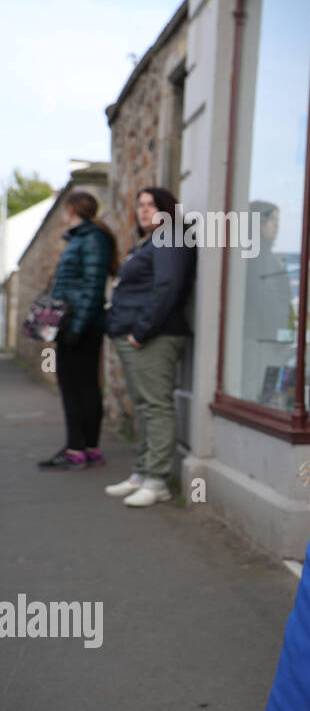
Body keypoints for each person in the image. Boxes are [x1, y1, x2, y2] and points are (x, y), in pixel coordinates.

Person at [103, 187, 196, 507]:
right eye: (140, 205)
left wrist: (141, 331)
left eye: (151, 204)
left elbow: (168, 287)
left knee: (156, 407)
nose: (144, 210)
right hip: (135, 334)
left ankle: (157, 481)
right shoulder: (149, 242)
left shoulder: (170, 237)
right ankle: (142, 473)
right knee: (144, 406)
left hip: (154, 336)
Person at [37, 191, 117, 470]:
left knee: (75, 386)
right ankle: (85, 448)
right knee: (81, 385)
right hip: (75, 322)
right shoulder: (84, 237)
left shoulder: (91, 238)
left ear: (70, 208)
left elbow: (94, 287)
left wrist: (76, 328)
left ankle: (77, 449)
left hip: (80, 324)